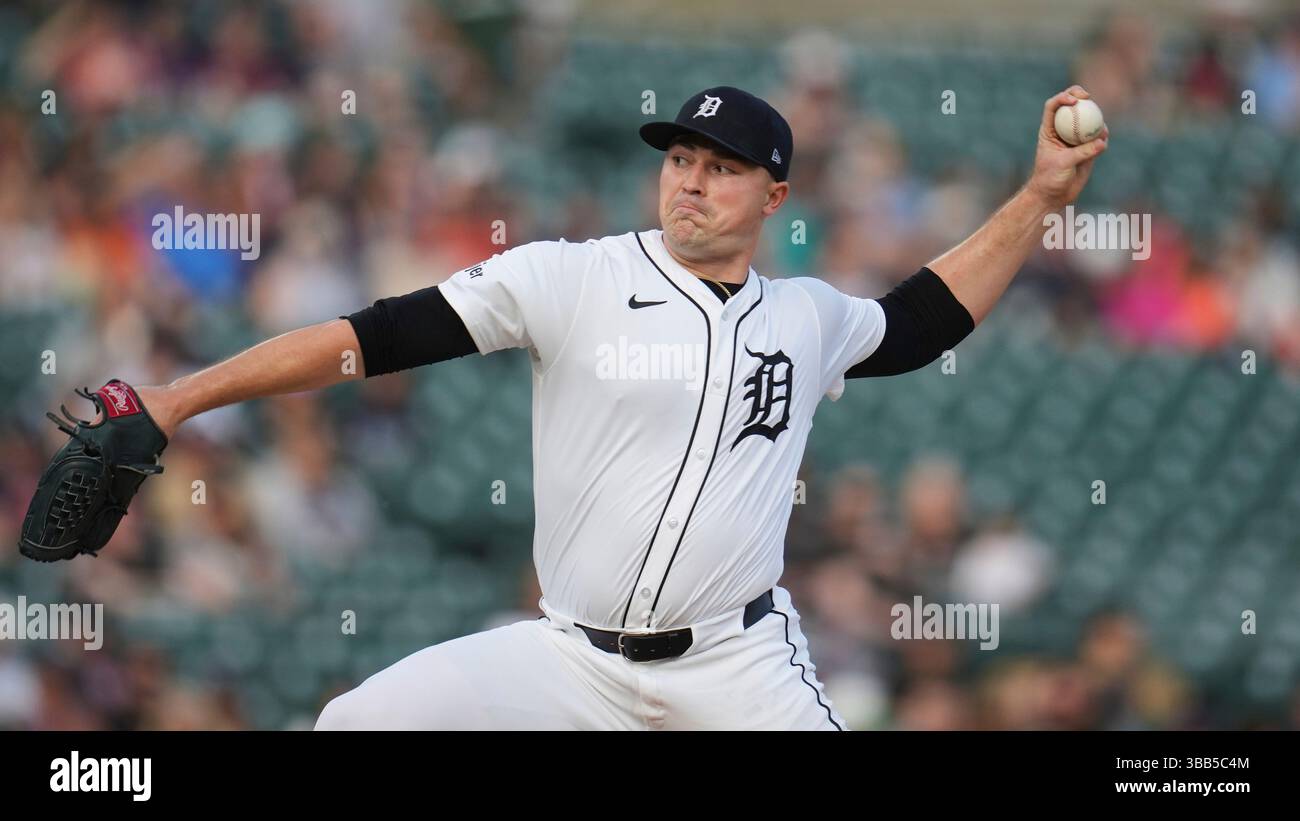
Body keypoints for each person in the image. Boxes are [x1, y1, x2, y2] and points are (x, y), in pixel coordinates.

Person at [115, 84, 1105, 730]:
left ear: (774, 195)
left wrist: (1040, 197)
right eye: (680, 158)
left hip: (734, 664)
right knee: (352, 725)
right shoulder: (569, 278)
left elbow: (923, 321)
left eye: (721, 167)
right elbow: (368, 336)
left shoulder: (806, 316)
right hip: (570, 662)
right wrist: (185, 393)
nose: (692, 180)